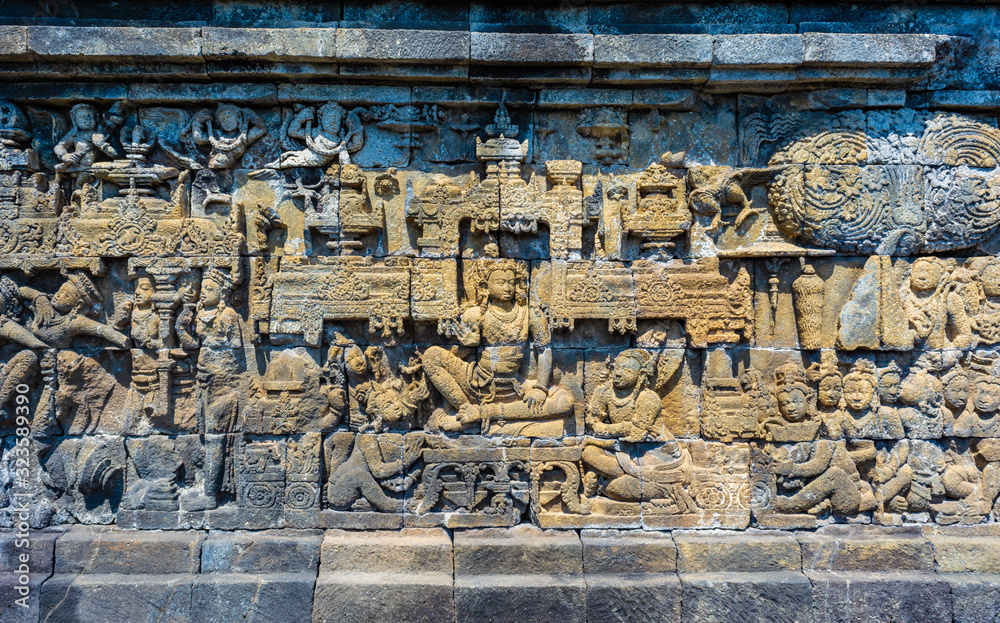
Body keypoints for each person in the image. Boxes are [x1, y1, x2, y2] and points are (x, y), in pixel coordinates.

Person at [423, 258, 574, 437]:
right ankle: (466, 411)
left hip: (514, 387)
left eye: (511, 282)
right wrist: (467, 345)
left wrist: (540, 388)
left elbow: (544, 351)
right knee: (432, 356)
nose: (507, 287)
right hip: (476, 383)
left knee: (566, 402)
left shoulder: (530, 313)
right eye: (500, 282)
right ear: (486, 286)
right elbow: (459, 354)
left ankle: (483, 415)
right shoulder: (476, 314)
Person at [587, 349, 665, 442]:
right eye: (616, 368)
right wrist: (626, 428)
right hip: (617, 443)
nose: (618, 373)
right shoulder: (603, 392)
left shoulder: (648, 397)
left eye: (627, 371)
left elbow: (637, 432)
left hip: (651, 448)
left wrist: (603, 428)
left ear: (641, 374)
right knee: (589, 451)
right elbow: (592, 424)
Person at [902, 257, 974, 350]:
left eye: (930, 273)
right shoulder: (904, 296)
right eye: (917, 271)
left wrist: (955, 350)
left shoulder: (950, 298)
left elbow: (964, 334)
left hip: (940, 355)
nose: (922, 277)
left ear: (941, 278)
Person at [759, 361, 820, 442]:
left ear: (808, 401)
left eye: (796, 402)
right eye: (785, 403)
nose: (791, 408)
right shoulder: (774, 425)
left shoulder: (816, 421)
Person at [53, 103, 118, 172]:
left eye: (91, 116)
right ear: (74, 119)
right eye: (81, 117)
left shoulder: (101, 133)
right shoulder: (75, 133)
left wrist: (102, 145)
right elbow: (59, 146)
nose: (87, 119)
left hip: (95, 168)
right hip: (77, 166)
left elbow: (116, 154)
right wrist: (65, 155)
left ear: (97, 118)